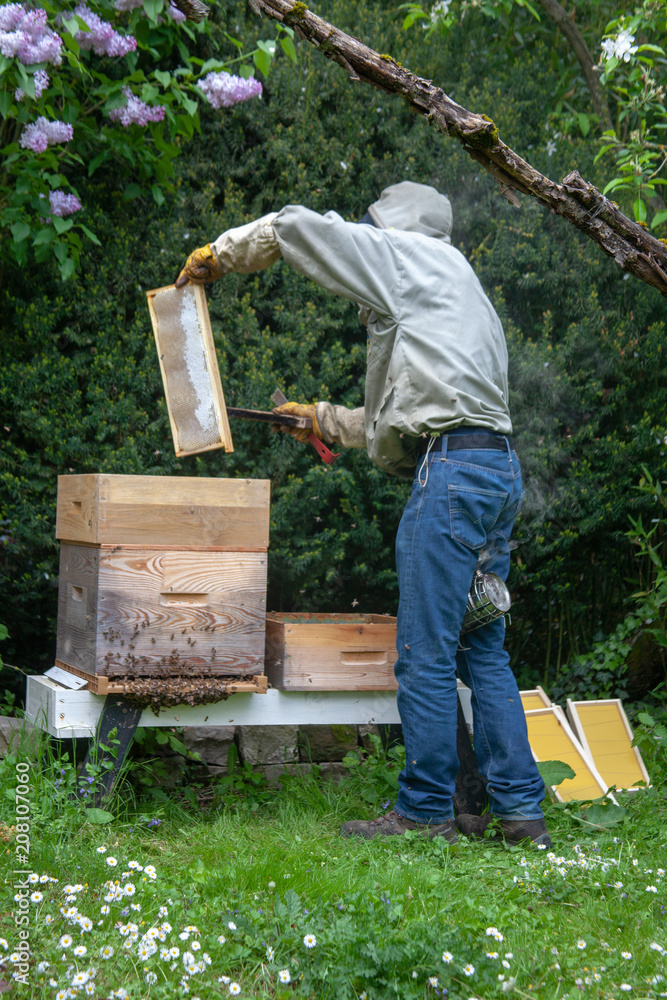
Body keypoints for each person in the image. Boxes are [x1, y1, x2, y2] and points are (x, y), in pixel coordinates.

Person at [176, 180, 551, 848]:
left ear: (390, 225)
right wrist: (320, 418)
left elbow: (292, 223)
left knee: (426, 653)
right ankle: (519, 815)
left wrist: (220, 253)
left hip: (452, 479)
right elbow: (410, 411)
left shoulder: (403, 256)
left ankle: (427, 812)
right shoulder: (456, 284)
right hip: (494, 470)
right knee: (482, 651)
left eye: (370, 225)